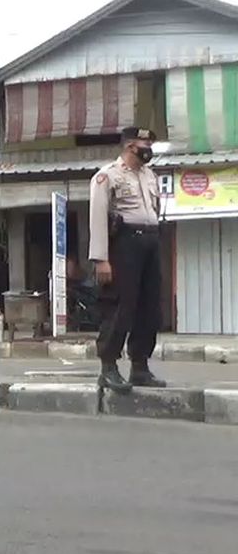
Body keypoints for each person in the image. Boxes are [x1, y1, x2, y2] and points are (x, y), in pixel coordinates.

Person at [89, 126, 165, 393]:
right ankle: (108, 367)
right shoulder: (107, 176)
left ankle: (140, 367)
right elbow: (98, 217)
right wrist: (101, 258)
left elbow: (154, 210)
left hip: (150, 241)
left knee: (150, 306)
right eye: (144, 144)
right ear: (130, 146)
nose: (148, 149)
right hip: (124, 244)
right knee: (120, 306)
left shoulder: (150, 176)